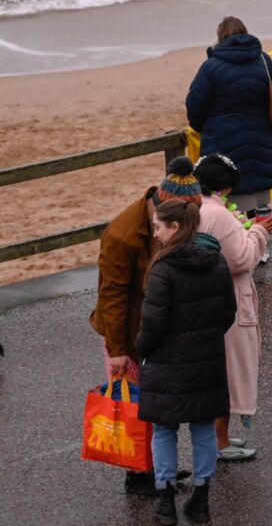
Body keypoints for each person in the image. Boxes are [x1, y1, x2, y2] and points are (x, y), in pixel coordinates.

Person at [136, 189, 236, 526]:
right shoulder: (217, 262)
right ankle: (201, 499)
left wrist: (143, 349)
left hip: (166, 364)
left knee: (164, 430)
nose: (154, 233)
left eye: (158, 227)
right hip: (207, 360)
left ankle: (166, 502)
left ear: (175, 227)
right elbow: (228, 312)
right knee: (203, 427)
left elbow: (152, 325)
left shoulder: (163, 270)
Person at [189, 155, 272, 463]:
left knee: (214, 372)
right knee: (228, 372)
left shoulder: (193, 207)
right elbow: (239, 260)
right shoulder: (218, 214)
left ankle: (215, 438)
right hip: (227, 300)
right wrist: (259, 232)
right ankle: (219, 443)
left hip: (202, 300)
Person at [90, 172, 161, 496]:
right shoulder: (122, 235)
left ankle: (154, 465)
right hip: (124, 333)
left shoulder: (160, 218)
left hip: (145, 329)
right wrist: (117, 349)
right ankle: (139, 474)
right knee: (134, 404)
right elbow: (112, 296)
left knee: (150, 401)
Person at [185, 16, 272, 214]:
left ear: (220, 37)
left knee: (228, 207)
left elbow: (194, 106)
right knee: (261, 210)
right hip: (259, 139)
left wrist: (202, 127)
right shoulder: (263, 60)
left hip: (221, 143)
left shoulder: (211, 67)